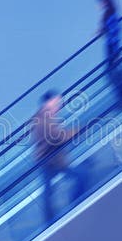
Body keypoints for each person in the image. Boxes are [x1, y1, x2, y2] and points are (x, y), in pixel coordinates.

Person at [32, 91, 84, 222]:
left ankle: (49, 218)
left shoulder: (45, 116)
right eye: (56, 102)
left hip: (50, 159)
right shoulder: (44, 118)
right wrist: (76, 131)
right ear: (48, 102)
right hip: (50, 159)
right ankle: (74, 204)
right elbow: (57, 137)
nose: (59, 105)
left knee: (49, 189)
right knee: (81, 175)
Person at [96, 0, 122, 105]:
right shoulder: (108, 13)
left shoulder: (111, 13)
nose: (100, 5)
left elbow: (114, 31)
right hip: (110, 46)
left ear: (106, 1)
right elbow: (108, 30)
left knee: (111, 72)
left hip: (112, 46)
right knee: (112, 71)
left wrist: (115, 52)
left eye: (101, 2)